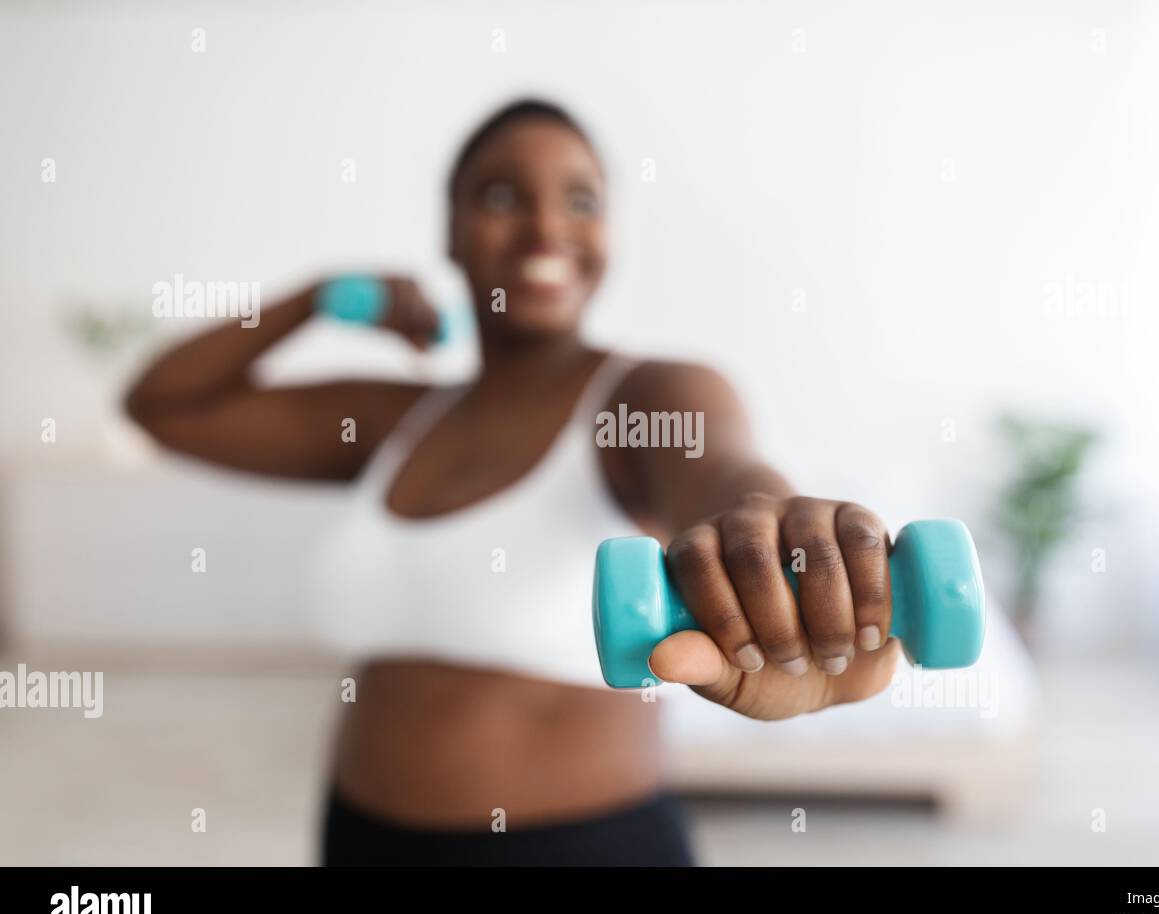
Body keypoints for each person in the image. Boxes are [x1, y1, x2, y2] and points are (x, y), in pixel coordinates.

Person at [123, 99, 901, 866]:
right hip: (358, 835)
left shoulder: (643, 397)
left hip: (583, 848)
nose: (546, 227)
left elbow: (730, 480)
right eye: (501, 195)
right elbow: (161, 404)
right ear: (450, 233)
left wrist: (776, 530)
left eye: (581, 200)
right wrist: (322, 299)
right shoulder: (402, 421)